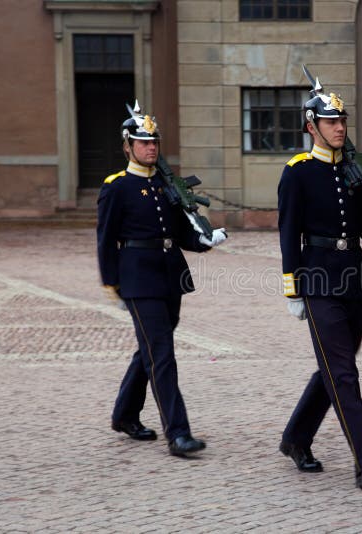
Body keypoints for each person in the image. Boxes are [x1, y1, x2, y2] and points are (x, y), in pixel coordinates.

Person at [277, 76, 362, 492]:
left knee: (334, 368)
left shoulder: (355, 172)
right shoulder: (298, 173)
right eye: (330, 121)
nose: (339, 127)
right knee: (344, 372)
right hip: (317, 278)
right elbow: (287, 233)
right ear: (311, 126)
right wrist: (292, 287)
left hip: (353, 276)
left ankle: (296, 438)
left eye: (342, 120)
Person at [97, 100, 228, 458]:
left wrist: (205, 241)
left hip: (170, 275)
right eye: (143, 142)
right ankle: (179, 433)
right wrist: (112, 284)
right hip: (137, 279)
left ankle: (124, 415)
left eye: (154, 141)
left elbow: (180, 234)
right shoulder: (117, 186)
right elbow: (106, 238)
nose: (151, 147)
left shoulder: (167, 184)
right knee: (163, 355)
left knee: (152, 349)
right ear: (128, 146)